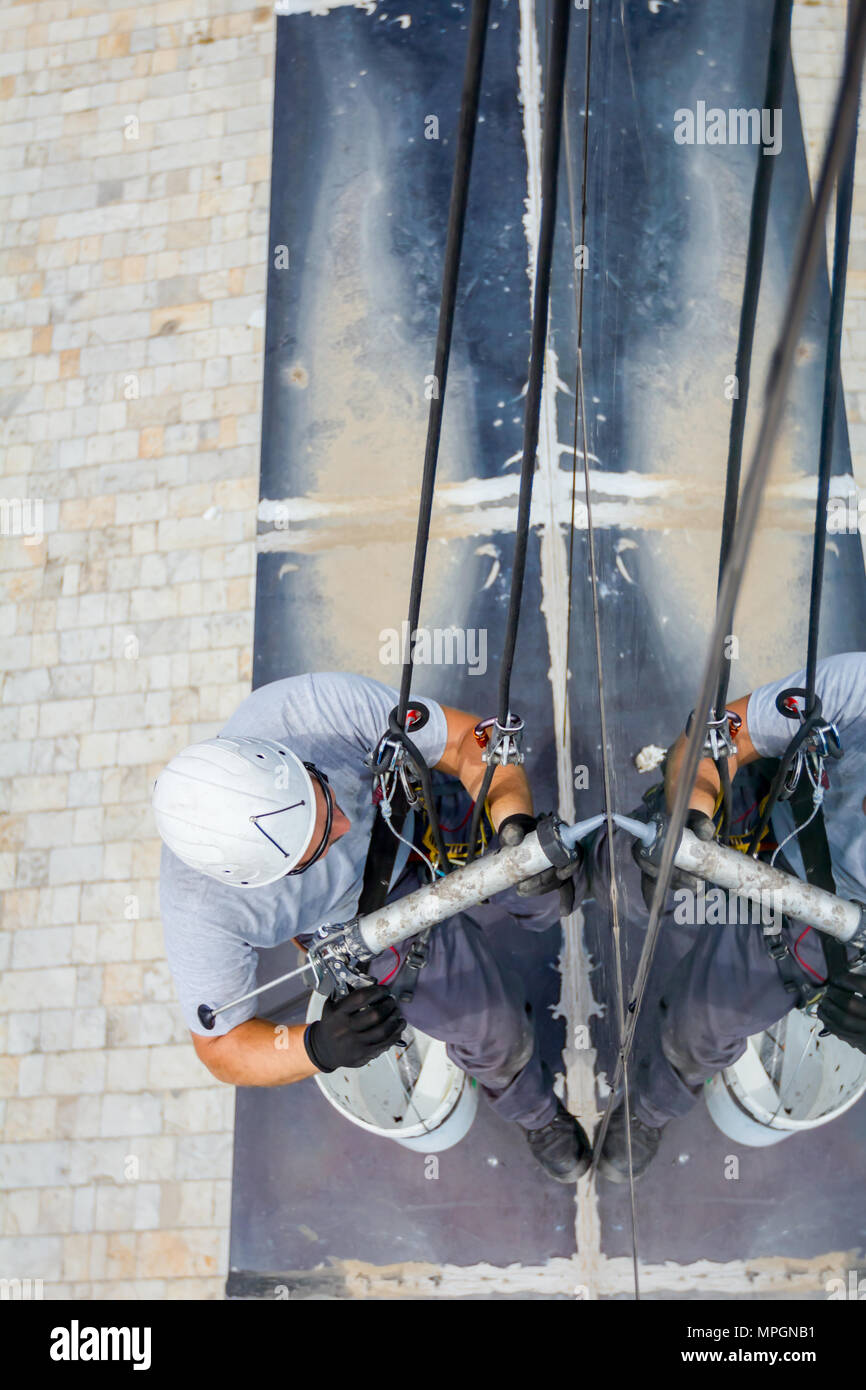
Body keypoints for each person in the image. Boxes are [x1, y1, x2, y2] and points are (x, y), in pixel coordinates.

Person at [152, 670, 590, 1183]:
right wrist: (317, 1047)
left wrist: (514, 829)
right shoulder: (201, 910)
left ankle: (586, 885)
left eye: (320, 789)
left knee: (556, 877)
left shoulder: (304, 711)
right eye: (317, 845)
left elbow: (474, 739)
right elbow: (220, 1048)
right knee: (489, 1028)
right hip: (360, 925)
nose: (340, 822)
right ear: (256, 879)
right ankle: (535, 1114)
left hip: (416, 817)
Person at [594, 651, 866, 1183]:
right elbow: (719, 736)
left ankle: (650, 1110)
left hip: (833, 923)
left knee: (707, 1023)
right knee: (628, 871)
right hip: (779, 812)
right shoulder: (856, 687)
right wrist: (690, 818)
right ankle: (579, 883)